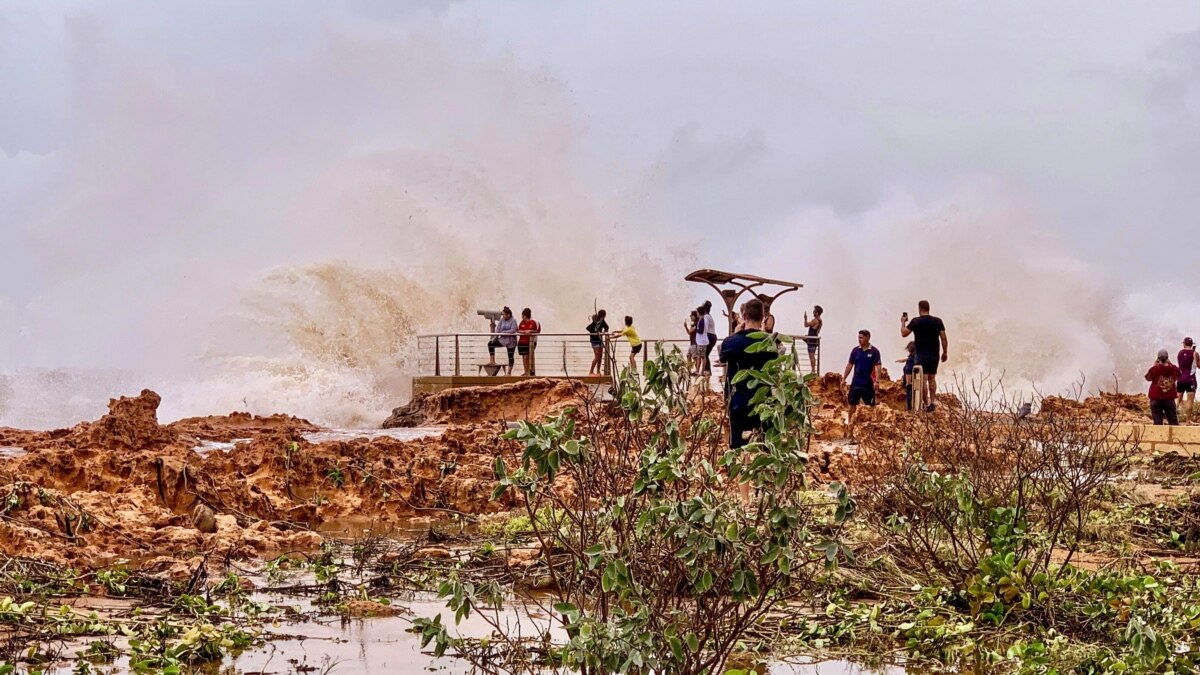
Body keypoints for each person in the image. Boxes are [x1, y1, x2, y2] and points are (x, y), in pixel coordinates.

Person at [719, 299, 776, 502]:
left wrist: (736, 332)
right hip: (764, 404)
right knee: (766, 449)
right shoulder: (769, 343)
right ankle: (766, 496)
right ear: (763, 318)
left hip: (738, 402)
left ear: (743, 317)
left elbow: (722, 356)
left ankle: (745, 501)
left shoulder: (733, 342)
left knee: (741, 452)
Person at [900, 300, 948, 412]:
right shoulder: (937, 321)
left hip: (921, 354)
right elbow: (944, 338)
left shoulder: (916, 321)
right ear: (928, 308)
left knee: (923, 378)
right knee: (932, 378)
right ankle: (932, 402)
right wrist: (945, 352)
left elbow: (904, 333)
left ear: (919, 309)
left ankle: (926, 404)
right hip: (934, 354)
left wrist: (903, 322)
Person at [842, 330, 882, 439]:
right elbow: (850, 365)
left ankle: (870, 430)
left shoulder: (874, 351)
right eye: (858, 337)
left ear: (868, 338)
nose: (859, 340)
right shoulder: (855, 351)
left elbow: (878, 366)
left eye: (861, 338)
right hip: (855, 383)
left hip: (867, 384)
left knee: (871, 407)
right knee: (851, 406)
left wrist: (877, 381)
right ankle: (850, 429)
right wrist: (844, 378)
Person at [1146, 349, 1182, 426]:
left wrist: (1154, 366)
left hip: (1155, 399)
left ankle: (1159, 437)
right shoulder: (1174, 369)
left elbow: (1148, 378)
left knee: (1157, 424)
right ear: (1167, 358)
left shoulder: (1154, 369)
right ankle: (1175, 438)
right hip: (1169, 399)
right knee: (1173, 423)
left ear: (1158, 358)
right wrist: (1170, 364)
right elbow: (1180, 375)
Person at [517, 308, 541, 377]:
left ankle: (529, 372)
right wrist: (523, 332)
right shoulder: (521, 322)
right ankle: (525, 371)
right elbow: (518, 330)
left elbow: (538, 331)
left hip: (530, 342)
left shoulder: (534, 322)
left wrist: (530, 331)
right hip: (521, 342)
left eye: (522, 315)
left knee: (527, 357)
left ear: (525, 315)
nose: (521, 317)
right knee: (523, 357)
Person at [495, 307, 518, 375]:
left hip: (511, 341)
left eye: (504, 314)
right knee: (490, 344)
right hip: (503, 340)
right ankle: (492, 361)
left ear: (508, 315)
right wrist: (496, 336)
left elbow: (513, 330)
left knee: (510, 356)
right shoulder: (502, 320)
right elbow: (498, 328)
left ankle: (509, 372)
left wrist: (504, 332)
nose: (503, 316)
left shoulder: (513, 320)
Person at [1178, 337, 1197, 420]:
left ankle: (1172, 419)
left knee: (1178, 399)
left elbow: (1182, 364)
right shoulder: (1195, 353)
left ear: (1184, 344)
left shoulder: (1180, 353)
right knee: (1189, 401)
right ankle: (1188, 421)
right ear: (1192, 344)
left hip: (1180, 378)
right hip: (1190, 379)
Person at [586, 310, 609, 376]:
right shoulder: (596, 320)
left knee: (600, 356)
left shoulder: (602, 321)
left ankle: (598, 371)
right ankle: (591, 371)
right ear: (604, 315)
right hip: (594, 340)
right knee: (597, 356)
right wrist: (595, 332)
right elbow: (588, 328)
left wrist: (603, 332)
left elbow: (607, 327)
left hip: (600, 340)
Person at [897, 341, 916, 412]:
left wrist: (908, 381)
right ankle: (910, 409)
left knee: (910, 395)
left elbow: (908, 369)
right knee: (910, 395)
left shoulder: (911, 360)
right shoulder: (913, 358)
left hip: (909, 382)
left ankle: (910, 409)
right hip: (910, 381)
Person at [804, 305, 824, 374]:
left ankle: (813, 370)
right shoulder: (820, 321)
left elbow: (806, 325)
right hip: (814, 339)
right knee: (812, 355)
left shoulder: (815, 320)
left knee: (811, 355)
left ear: (817, 313)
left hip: (811, 339)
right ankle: (813, 370)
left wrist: (805, 318)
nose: (813, 312)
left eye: (814, 311)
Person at [685, 309, 704, 375]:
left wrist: (686, 327)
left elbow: (690, 332)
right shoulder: (694, 324)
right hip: (692, 343)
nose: (690, 317)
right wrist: (686, 327)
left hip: (694, 344)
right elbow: (689, 332)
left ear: (694, 316)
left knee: (695, 358)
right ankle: (690, 370)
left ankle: (697, 371)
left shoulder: (696, 323)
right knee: (688, 356)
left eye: (691, 316)